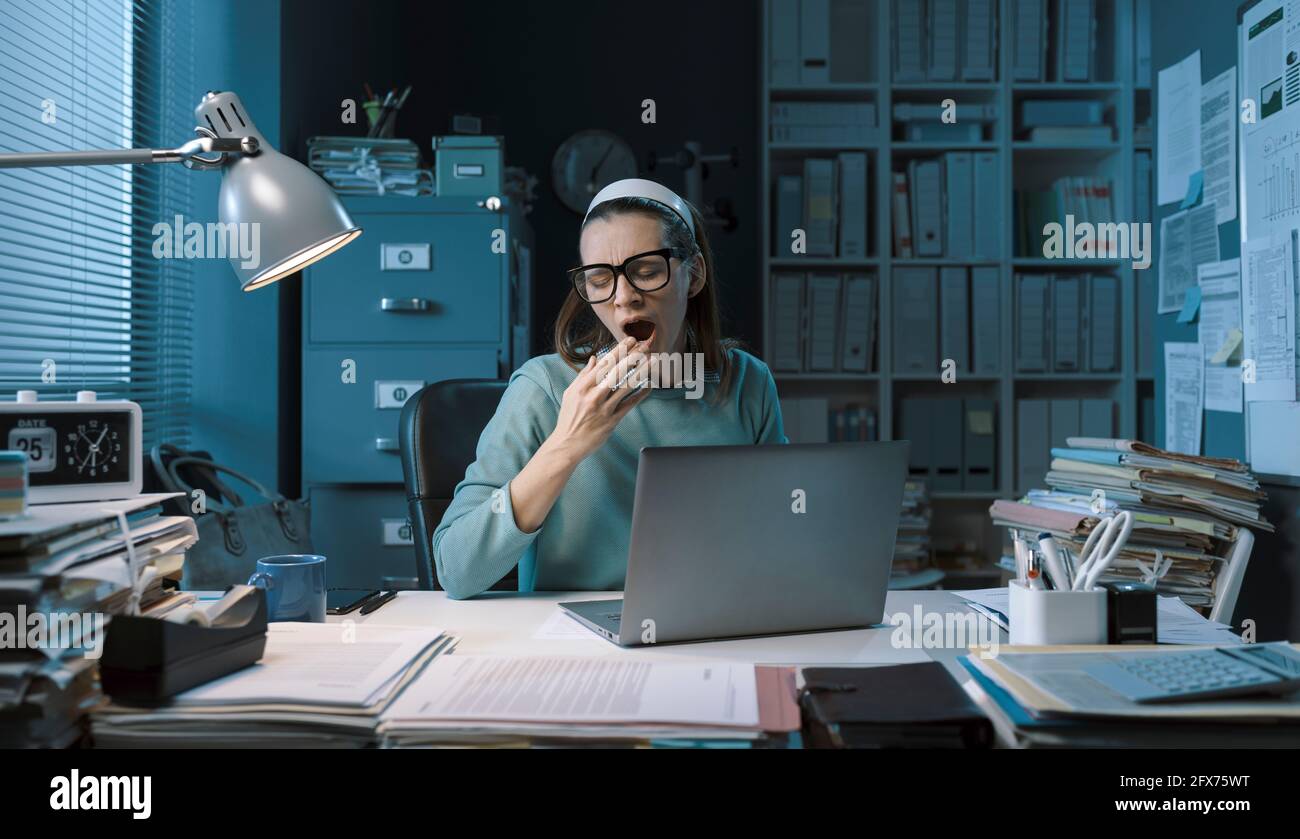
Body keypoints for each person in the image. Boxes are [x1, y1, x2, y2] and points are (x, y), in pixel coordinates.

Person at [433, 178, 787, 598]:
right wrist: (566, 444)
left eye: (647, 271)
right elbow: (455, 571)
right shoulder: (543, 387)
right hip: (575, 644)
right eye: (601, 279)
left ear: (693, 276)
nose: (624, 298)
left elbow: (781, 540)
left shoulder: (748, 383)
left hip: (716, 624)